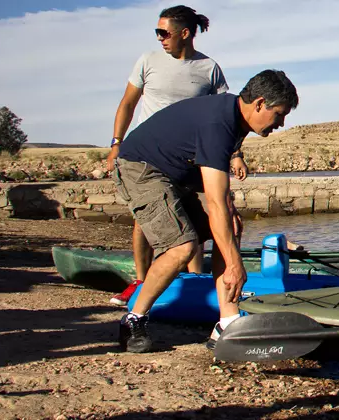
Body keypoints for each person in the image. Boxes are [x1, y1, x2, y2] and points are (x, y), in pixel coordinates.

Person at [114, 69, 298, 353]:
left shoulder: (236, 122)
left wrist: (229, 221)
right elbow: (213, 202)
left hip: (178, 174)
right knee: (181, 248)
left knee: (231, 225)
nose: (282, 123)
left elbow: (219, 194)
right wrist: (234, 263)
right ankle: (133, 320)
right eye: (279, 114)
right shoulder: (218, 124)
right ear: (260, 103)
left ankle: (227, 321)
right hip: (141, 167)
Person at [105, 5, 241, 307]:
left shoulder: (209, 68)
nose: (159, 39)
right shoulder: (148, 61)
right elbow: (127, 103)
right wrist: (116, 142)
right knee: (146, 220)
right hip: (150, 156)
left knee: (201, 221)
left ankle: (193, 282)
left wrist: (236, 154)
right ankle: (140, 283)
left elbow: (226, 116)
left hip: (191, 159)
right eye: (157, 32)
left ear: (185, 33)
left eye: (163, 33)